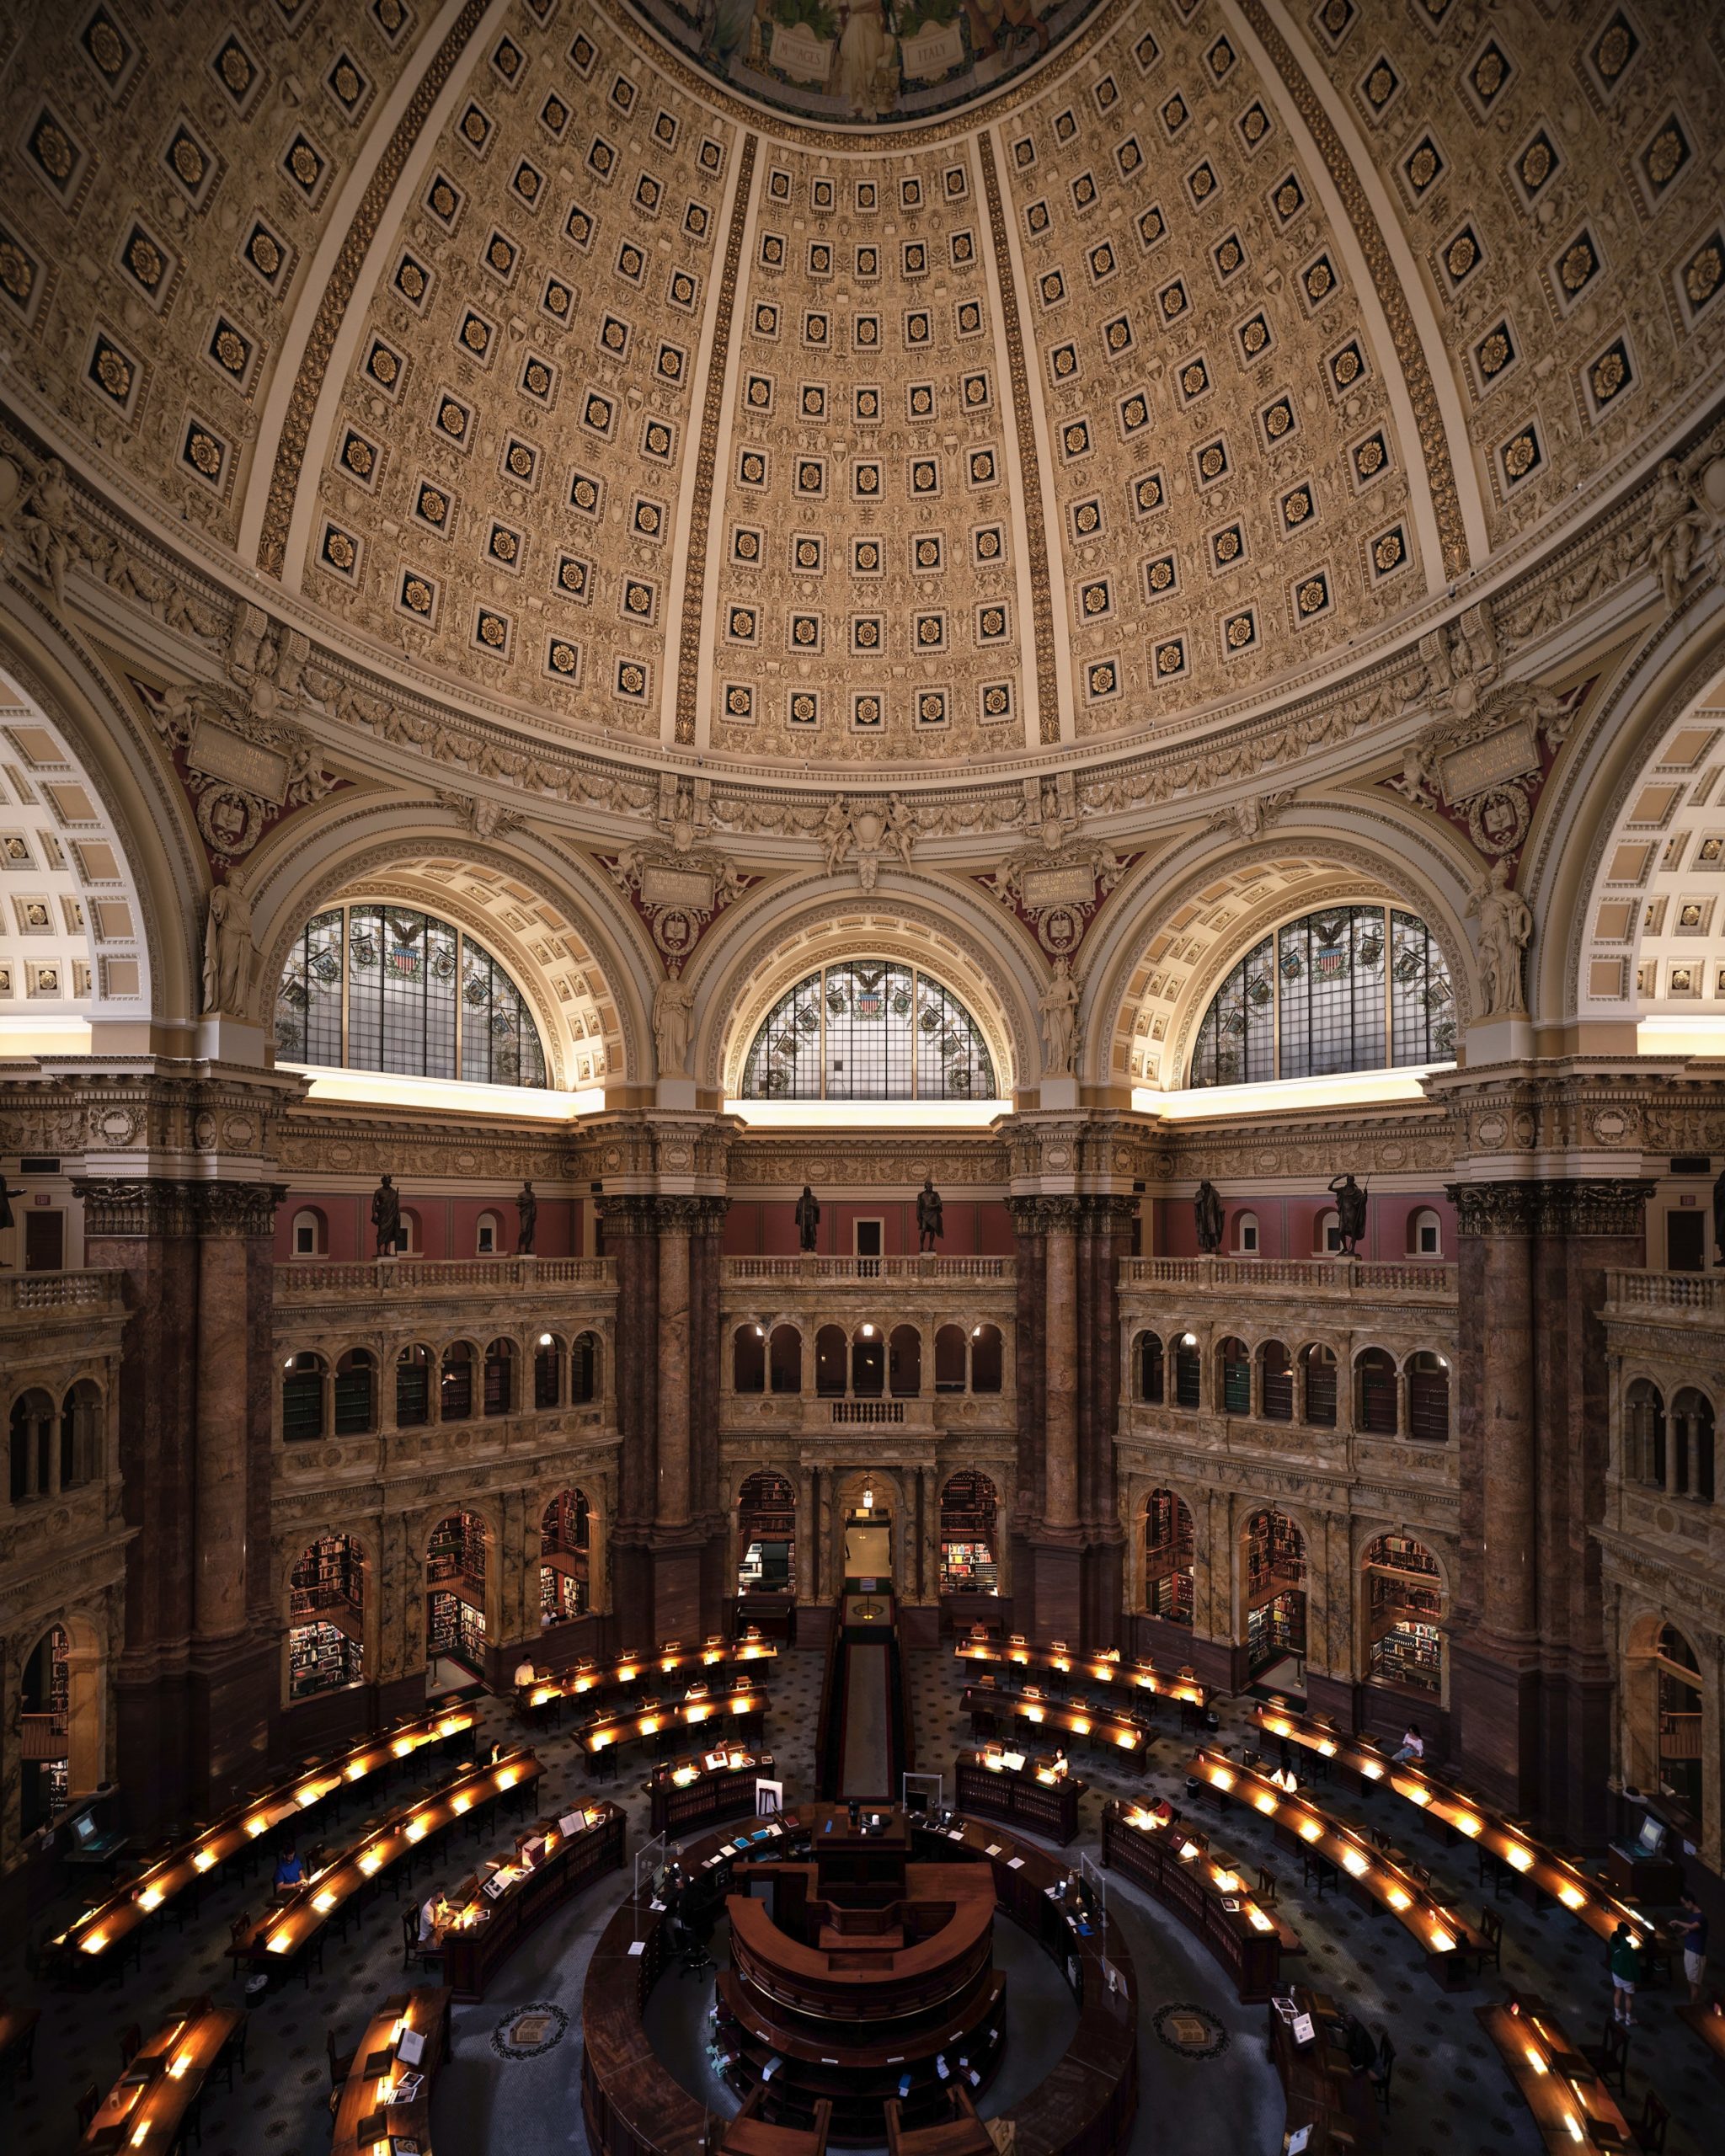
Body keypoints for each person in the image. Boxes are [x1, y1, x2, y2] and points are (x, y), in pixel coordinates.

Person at [1675, 1892, 1709, 2004]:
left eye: (1684, 1904)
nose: (1684, 1906)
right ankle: (1695, 2006)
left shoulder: (1701, 1918)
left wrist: (1677, 1922)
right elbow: (1689, 1930)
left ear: (1690, 1902)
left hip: (1695, 1953)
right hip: (1691, 1951)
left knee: (1694, 1983)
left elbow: (1691, 1927)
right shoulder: (1693, 1916)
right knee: (1692, 1981)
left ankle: (1694, 2007)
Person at [1610, 1920, 1642, 2026]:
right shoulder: (1629, 1951)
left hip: (1616, 1972)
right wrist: (1638, 1980)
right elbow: (1635, 1968)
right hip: (1627, 1976)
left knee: (1618, 1992)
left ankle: (1618, 2015)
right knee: (1628, 1997)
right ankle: (1628, 2018)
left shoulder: (1613, 1940)